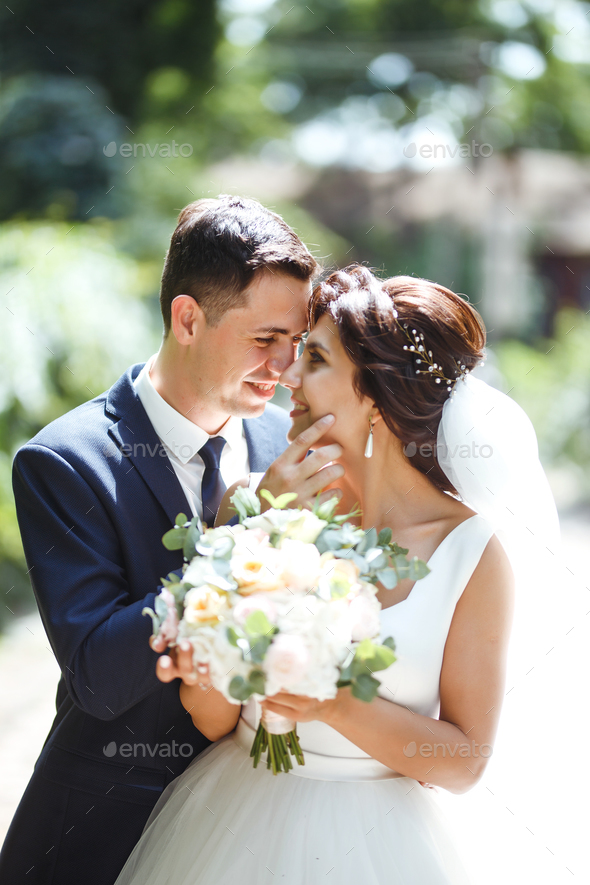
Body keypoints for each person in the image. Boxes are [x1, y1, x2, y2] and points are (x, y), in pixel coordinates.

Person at [113, 265, 557, 885]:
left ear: (376, 394)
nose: (287, 375)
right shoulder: (254, 504)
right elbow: (210, 718)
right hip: (230, 822)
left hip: (383, 849)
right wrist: (242, 556)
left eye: (314, 359)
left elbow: (462, 762)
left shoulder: (471, 556)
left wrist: (332, 703)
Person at [0, 195, 345, 885]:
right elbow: (99, 674)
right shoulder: (67, 461)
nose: (285, 367)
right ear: (188, 317)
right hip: (106, 832)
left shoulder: (292, 441)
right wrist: (244, 527)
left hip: (269, 831)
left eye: (296, 341)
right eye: (263, 338)